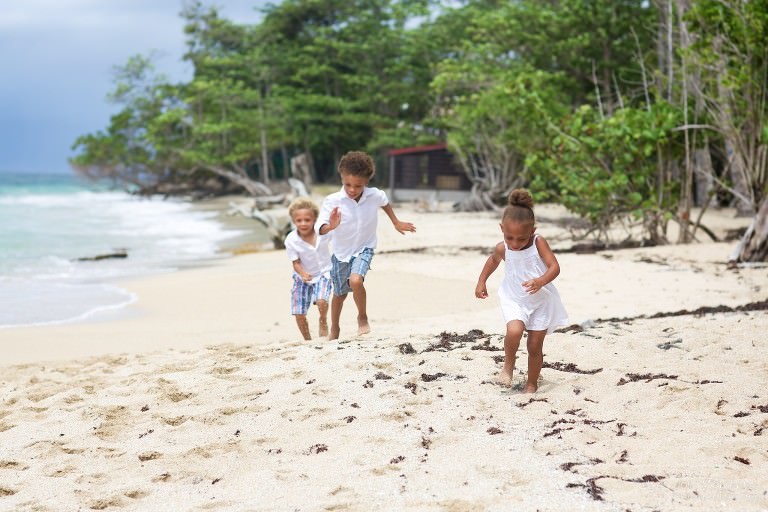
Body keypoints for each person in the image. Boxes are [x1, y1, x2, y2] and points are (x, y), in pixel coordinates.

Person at [475, 189, 568, 392]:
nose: (515, 244)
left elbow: (555, 267)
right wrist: (481, 281)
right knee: (514, 331)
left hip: (540, 302)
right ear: (502, 229)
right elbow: (493, 261)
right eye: (510, 238)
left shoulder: (538, 243)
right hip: (515, 299)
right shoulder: (503, 247)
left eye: (521, 238)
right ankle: (508, 367)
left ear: (532, 231)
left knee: (534, 346)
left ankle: (531, 384)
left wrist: (541, 281)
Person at [317, 150, 416, 340]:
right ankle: (335, 328)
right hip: (341, 253)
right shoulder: (332, 201)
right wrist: (331, 226)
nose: (352, 189)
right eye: (348, 184)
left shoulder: (374, 195)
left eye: (358, 185)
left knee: (356, 281)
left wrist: (395, 221)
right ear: (341, 178)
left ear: (367, 181)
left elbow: (385, 202)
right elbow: (318, 227)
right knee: (339, 295)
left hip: (365, 247)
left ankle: (362, 317)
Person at [285, 197, 332, 340]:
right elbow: (295, 262)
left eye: (307, 220)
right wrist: (303, 273)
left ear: (315, 219)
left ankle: (323, 320)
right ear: (294, 221)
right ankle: (307, 340)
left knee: (322, 301)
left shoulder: (322, 233)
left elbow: (339, 238)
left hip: (324, 273)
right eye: (299, 220)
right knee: (298, 312)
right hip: (302, 277)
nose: (303, 223)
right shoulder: (291, 240)